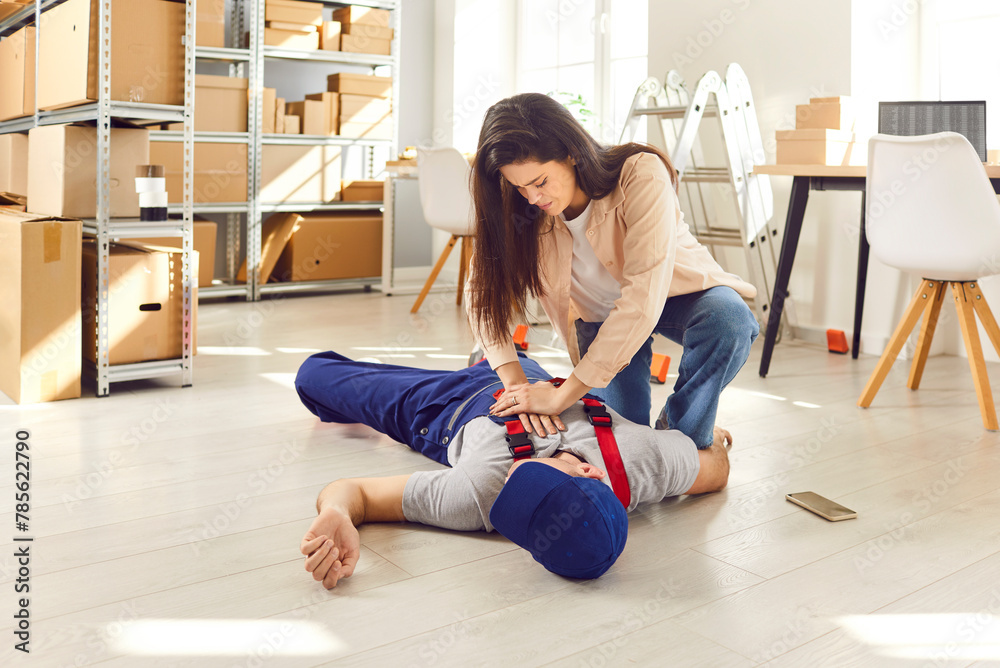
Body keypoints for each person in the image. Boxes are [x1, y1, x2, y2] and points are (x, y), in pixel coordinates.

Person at [466, 92, 760, 449]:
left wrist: (561, 397)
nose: (532, 198)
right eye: (518, 186)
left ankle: (683, 432)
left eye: (540, 182)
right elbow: (481, 295)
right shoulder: (519, 206)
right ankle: (668, 438)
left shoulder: (640, 173)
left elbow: (642, 298)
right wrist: (516, 387)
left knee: (730, 320)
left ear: (571, 153)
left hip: (671, 297)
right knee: (625, 437)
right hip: (599, 321)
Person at [295, 351, 731, 589]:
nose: (509, 481)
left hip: (446, 407)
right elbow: (717, 469)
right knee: (505, 346)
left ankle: (475, 364)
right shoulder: (646, 460)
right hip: (533, 381)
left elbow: (357, 492)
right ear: (591, 476)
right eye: (531, 477)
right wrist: (701, 443)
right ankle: (486, 356)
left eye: (516, 504)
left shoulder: (477, 498)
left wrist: (335, 511)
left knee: (313, 375)